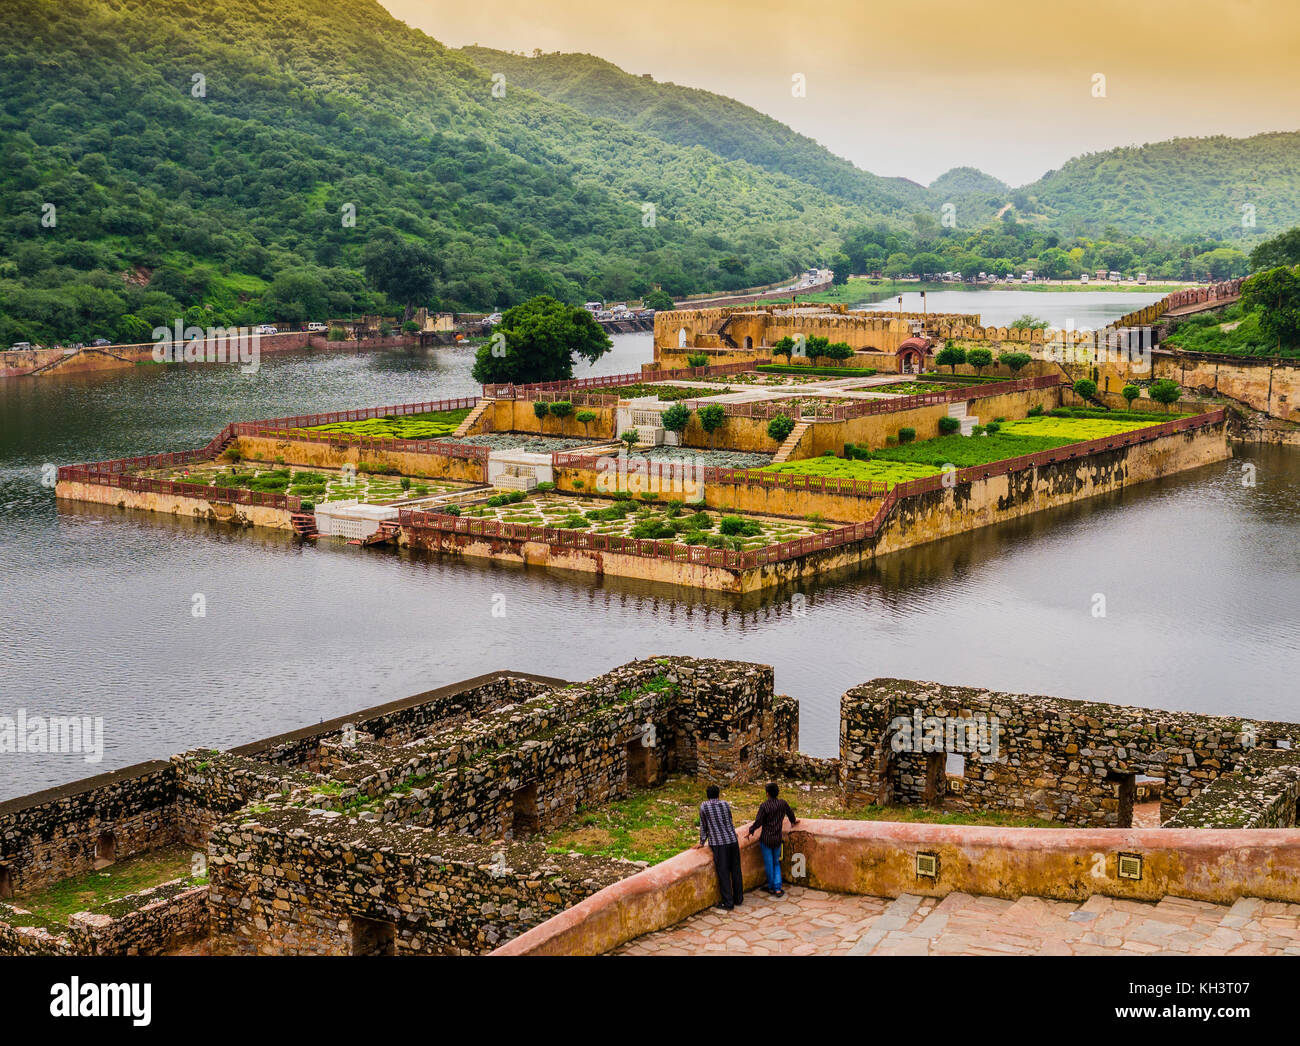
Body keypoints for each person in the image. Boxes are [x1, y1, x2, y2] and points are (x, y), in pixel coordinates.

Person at [693, 784, 743, 910]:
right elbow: (729, 820)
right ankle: (739, 898)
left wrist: (701, 842)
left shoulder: (704, 806)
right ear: (718, 794)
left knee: (723, 872)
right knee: (736, 870)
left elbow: (704, 826)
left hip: (719, 844)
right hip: (732, 840)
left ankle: (728, 902)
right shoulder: (725, 804)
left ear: (707, 795)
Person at [747, 783, 798, 897]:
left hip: (766, 839)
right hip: (777, 838)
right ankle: (778, 888)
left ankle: (771, 888)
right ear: (777, 793)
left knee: (769, 864)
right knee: (776, 863)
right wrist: (794, 821)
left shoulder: (764, 806)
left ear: (767, 794)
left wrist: (751, 830)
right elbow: (791, 816)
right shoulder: (782, 803)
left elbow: (758, 822)